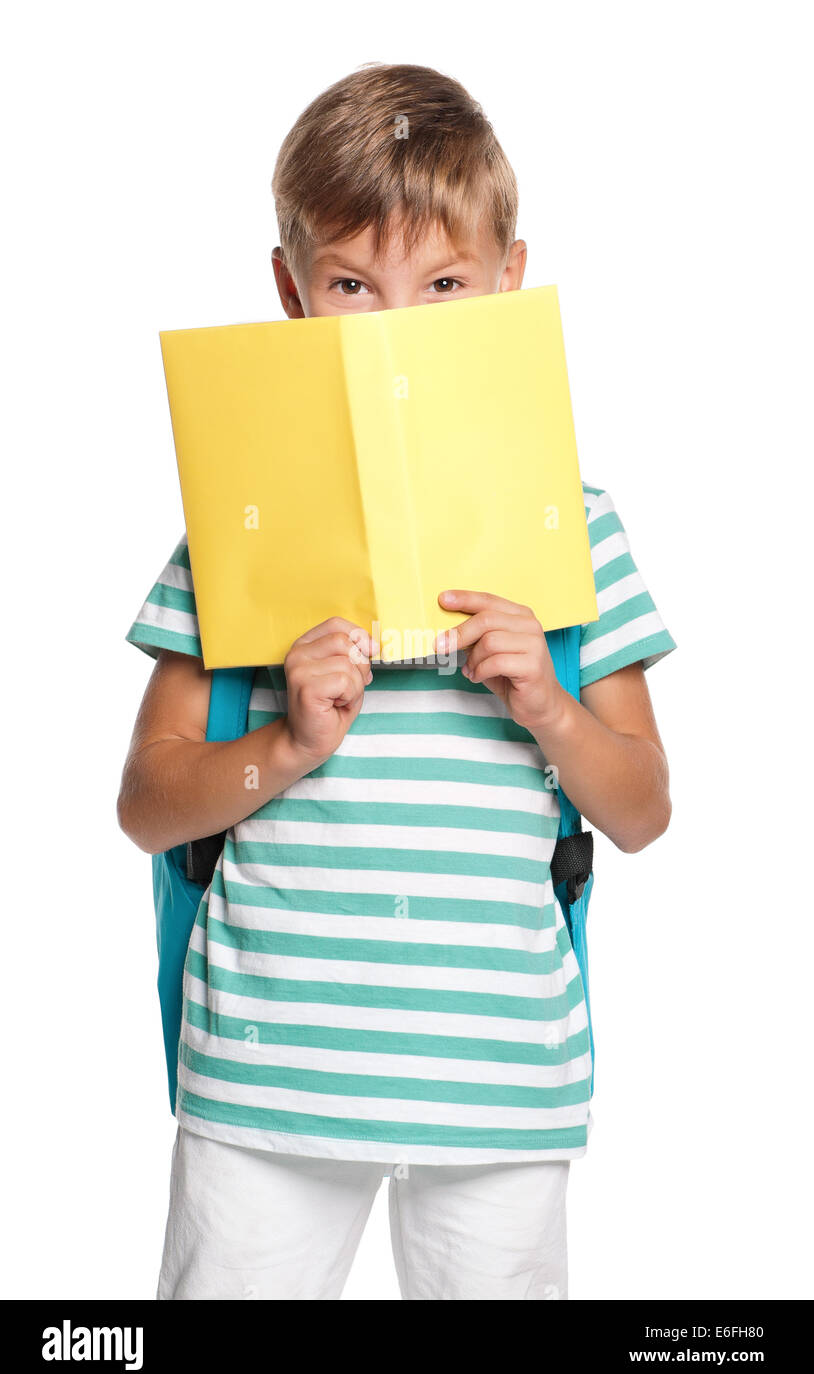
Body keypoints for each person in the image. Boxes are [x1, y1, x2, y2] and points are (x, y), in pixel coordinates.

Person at [118, 62, 677, 1301]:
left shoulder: (574, 528)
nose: (399, 323)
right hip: (266, 1079)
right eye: (355, 285)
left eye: (446, 285)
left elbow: (640, 808)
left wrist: (547, 703)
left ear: (507, 286)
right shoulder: (233, 525)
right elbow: (147, 802)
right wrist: (289, 744)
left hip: (499, 1080)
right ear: (292, 294)